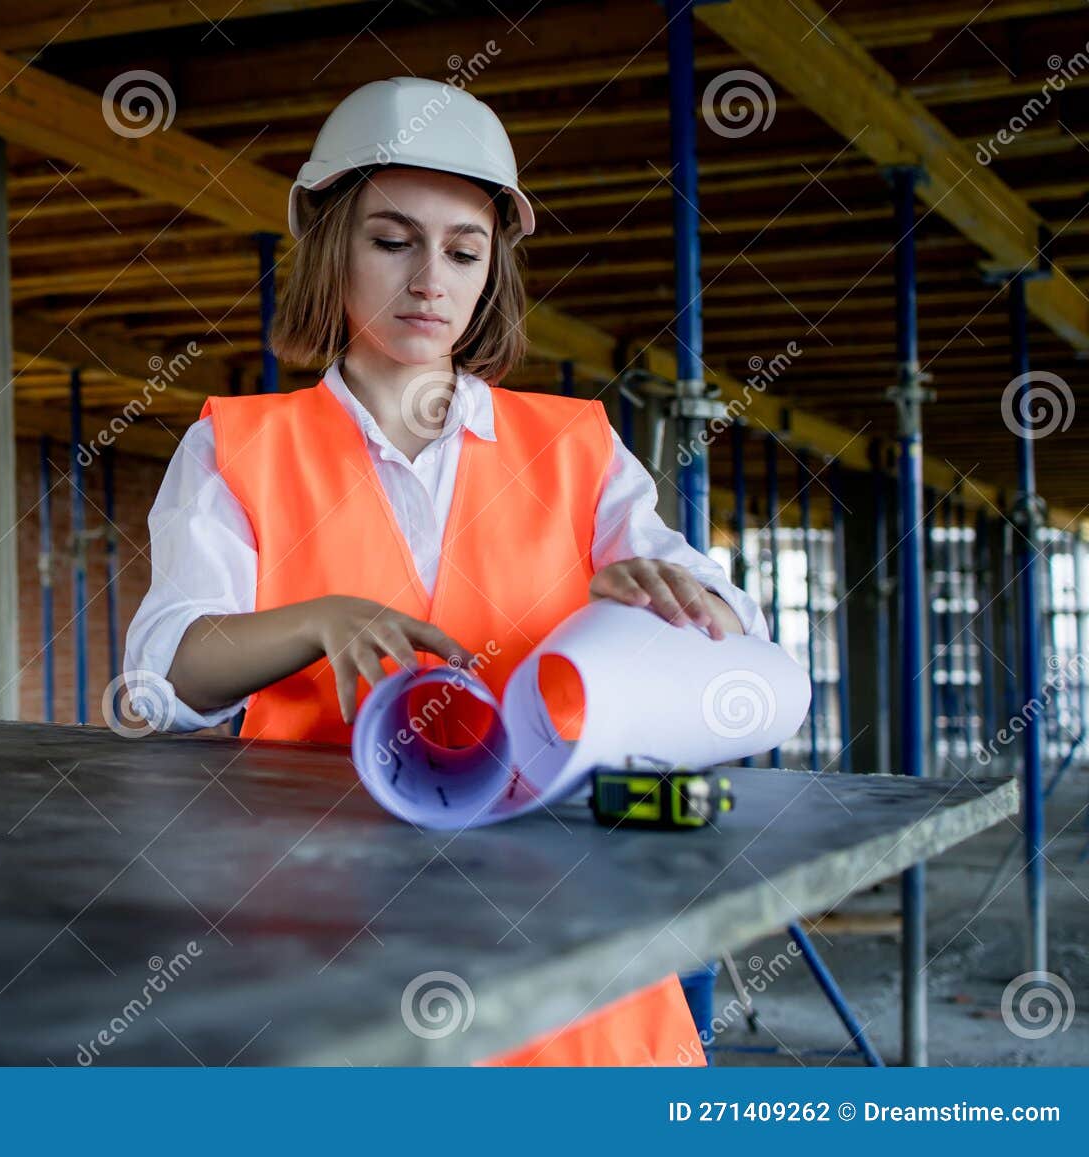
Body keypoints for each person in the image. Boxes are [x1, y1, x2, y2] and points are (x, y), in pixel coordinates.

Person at [122, 77, 767, 1066]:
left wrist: (666, 618)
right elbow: (164, 677)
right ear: (332, 246)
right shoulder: (238, 449)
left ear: (489, 273)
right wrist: (312, 618)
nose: (429, 277)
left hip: (563, 960)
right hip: (323, 950)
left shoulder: (579, 449)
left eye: (463, 250)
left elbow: (724, 640)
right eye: (391, 240)